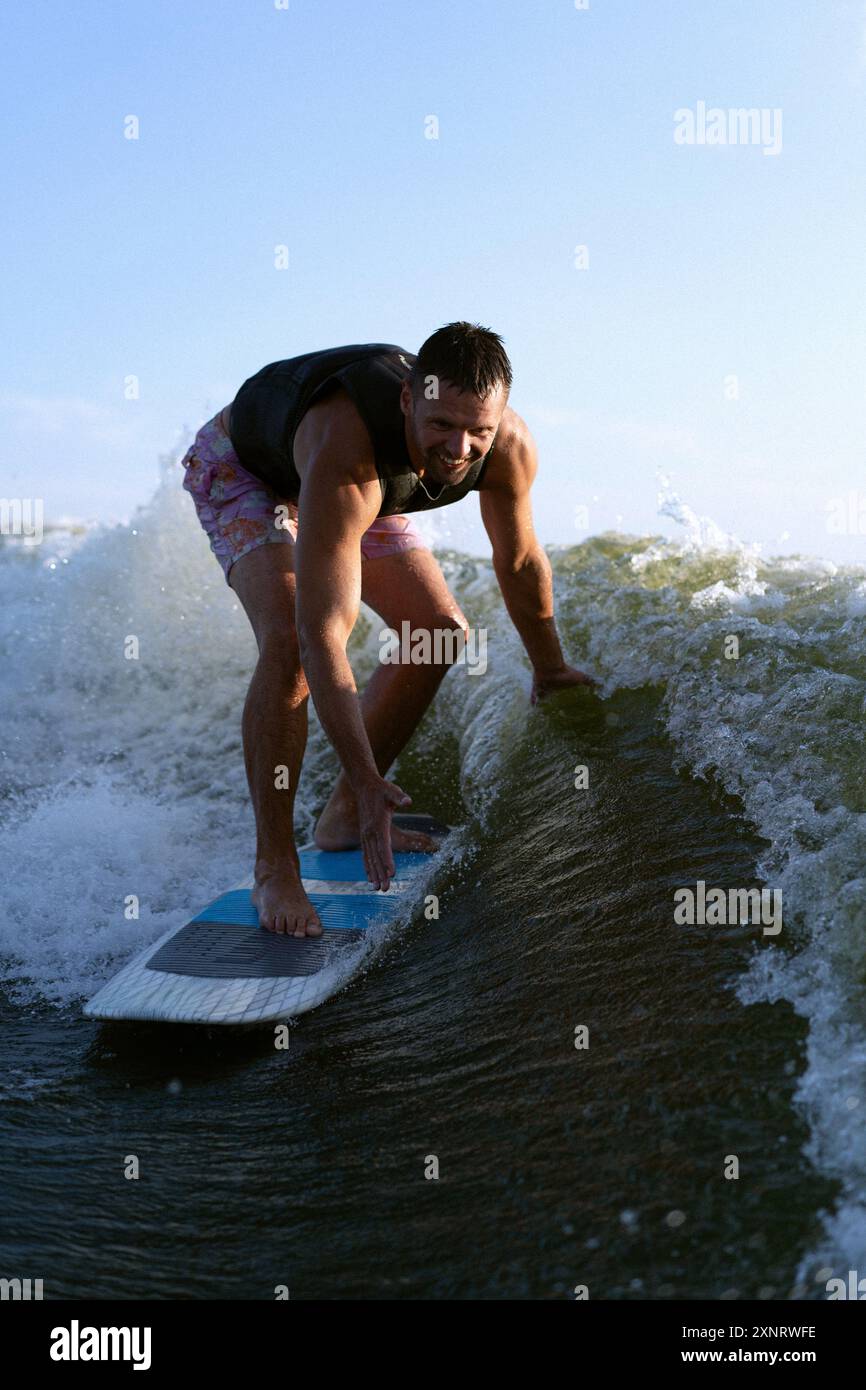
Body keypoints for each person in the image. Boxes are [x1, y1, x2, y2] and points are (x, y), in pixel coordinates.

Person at [181, 322, 595, 938]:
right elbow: (323, 630)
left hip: (358, 485)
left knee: (437, 629)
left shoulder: (508, 446)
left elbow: (520, 560)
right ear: (409, 399)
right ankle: (274, 866)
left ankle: (347, 815)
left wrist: (551, 667)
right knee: (291, 642)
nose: (459, 450)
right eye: (442, 426)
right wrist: (371, 771)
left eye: (477, 430)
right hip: (251, 470)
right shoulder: (347, 449)